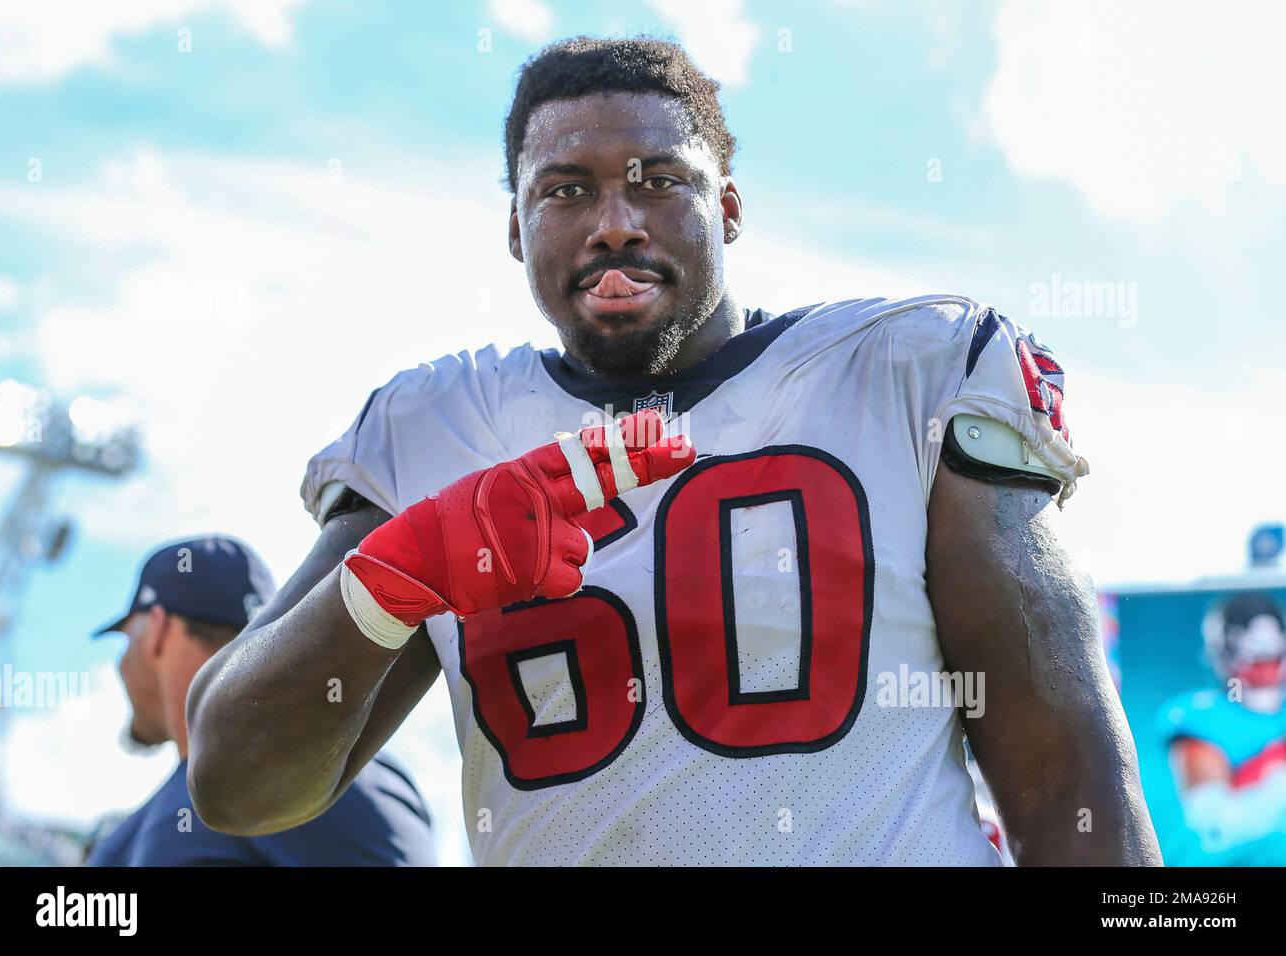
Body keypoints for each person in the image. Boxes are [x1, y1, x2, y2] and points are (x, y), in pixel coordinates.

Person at [186, 36, 1159, 865]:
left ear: (727, 208)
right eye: (566, 190)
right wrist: (389, 582)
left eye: (658, 181)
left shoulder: (905, 370)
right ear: (517, 230)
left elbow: (1065, 767)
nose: (614, 222)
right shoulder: (430, 431)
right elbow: (234, 783)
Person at [87, 536, 436, 866]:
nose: (121, 662)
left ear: (157, 628)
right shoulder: (314, 774)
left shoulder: (308, 771)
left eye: (128, 636)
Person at [1161, 592, 1286, 864]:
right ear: (1223, 656)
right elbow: (1215, 829)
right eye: (1254, 661)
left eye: (1272, 659)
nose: (1264, 672)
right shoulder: (1199, 716)